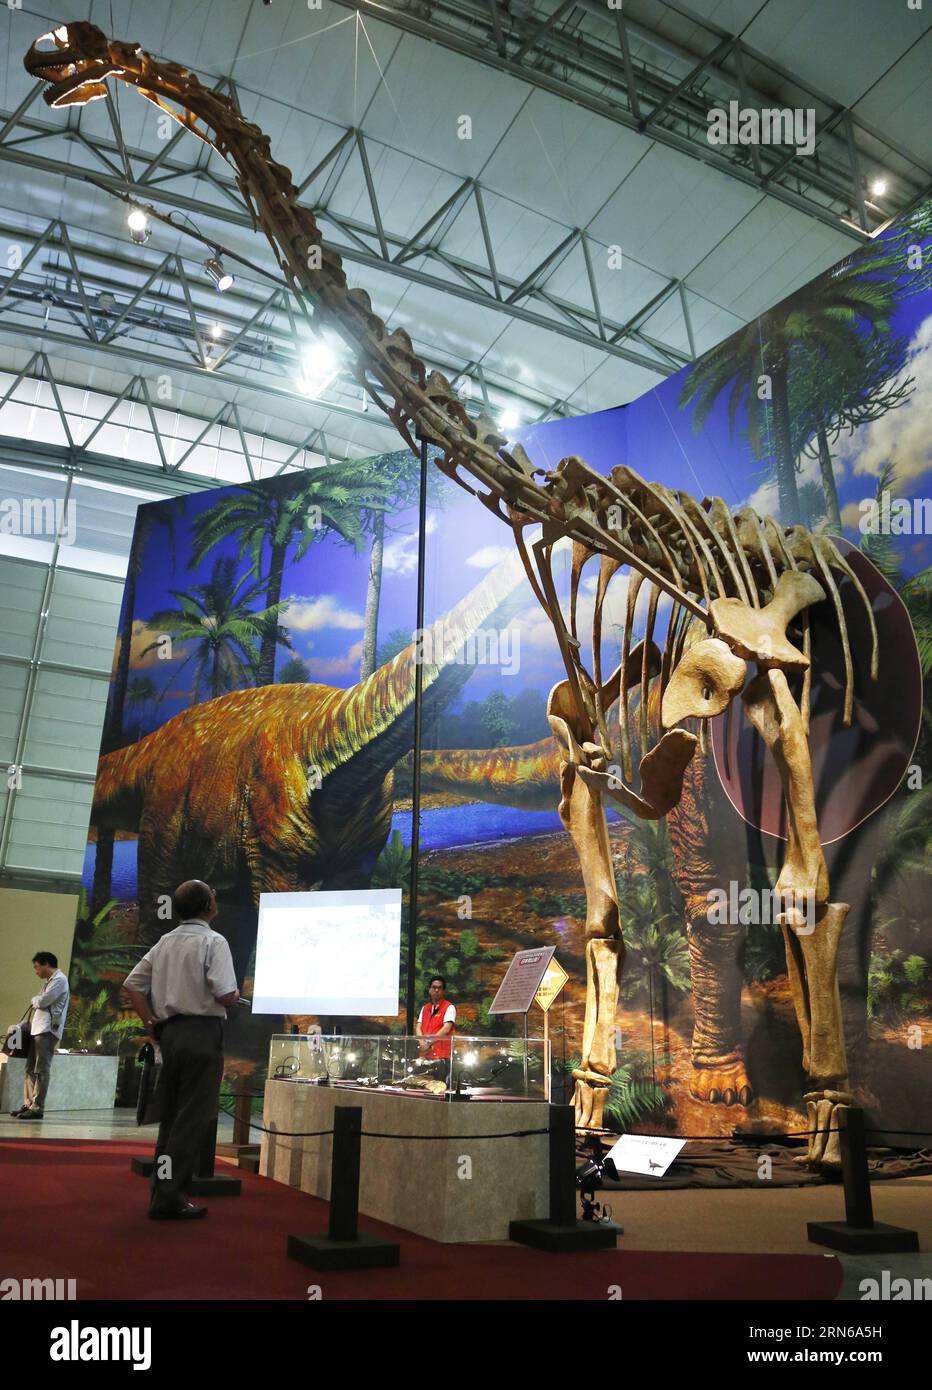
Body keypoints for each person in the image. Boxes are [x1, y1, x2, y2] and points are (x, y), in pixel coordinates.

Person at [123, 880, 239, 1221]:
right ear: (208, 906)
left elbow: (132, 984)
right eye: (214, 894)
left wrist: (151, 1024)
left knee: (171, 1119)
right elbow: (224, 992)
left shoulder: (165, 941)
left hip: (171, 1034)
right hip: (202, 1035)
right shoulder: (214, 941)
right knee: (191, 1119)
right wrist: (236, 998)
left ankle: (161, 1191)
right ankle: (170, 1196)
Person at [12, 952, 70, 1120]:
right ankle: (29, 1104)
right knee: (30, 1068)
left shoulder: (59, 980)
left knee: (41, 1070)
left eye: (37, 967)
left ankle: (37, 1108)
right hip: (37, 1030)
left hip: (47, 1030)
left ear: (46, 964)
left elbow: (42, 1001)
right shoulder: (49, 982)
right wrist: (36, 999)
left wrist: (34, 1000)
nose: (36, 971)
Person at [415, 976, 456, 1064]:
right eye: (434, 987)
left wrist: (428, 1043)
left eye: (439, 988)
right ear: (429, 990)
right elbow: (418, 1026)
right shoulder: (425, 1008)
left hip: (441, 1056)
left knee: (439, 1078)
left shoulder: (449, 1007)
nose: (436, 990)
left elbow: (446, 1028)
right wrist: (421, 1042)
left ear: (444, 991)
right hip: (425, 1055)